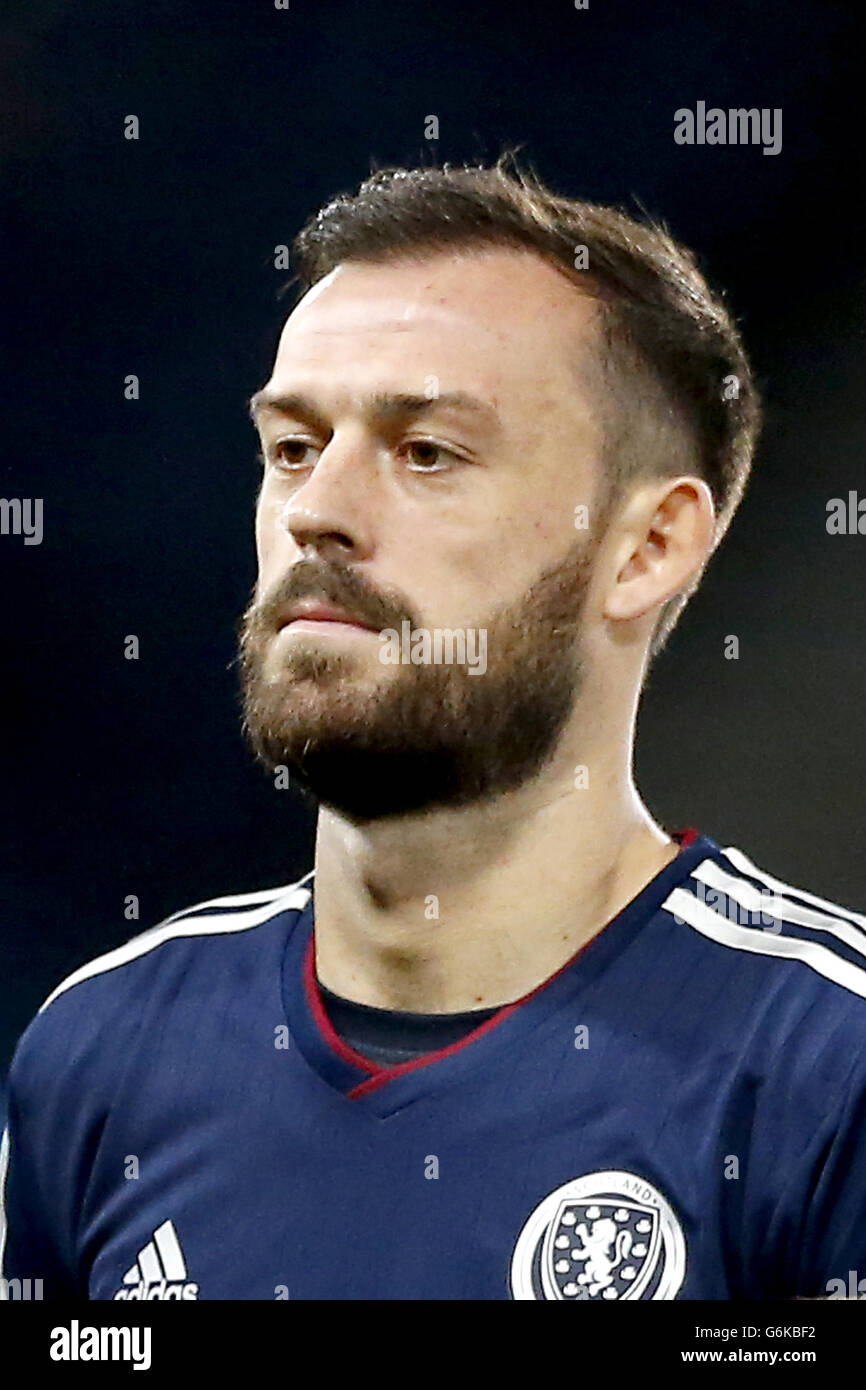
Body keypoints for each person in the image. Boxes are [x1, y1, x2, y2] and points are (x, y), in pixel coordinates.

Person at [3, 158, 865, 1302]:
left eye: (426, 453)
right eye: (293, 448)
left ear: (646, 547)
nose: (316, 511)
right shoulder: (99, 1053)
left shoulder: (824, 1072)